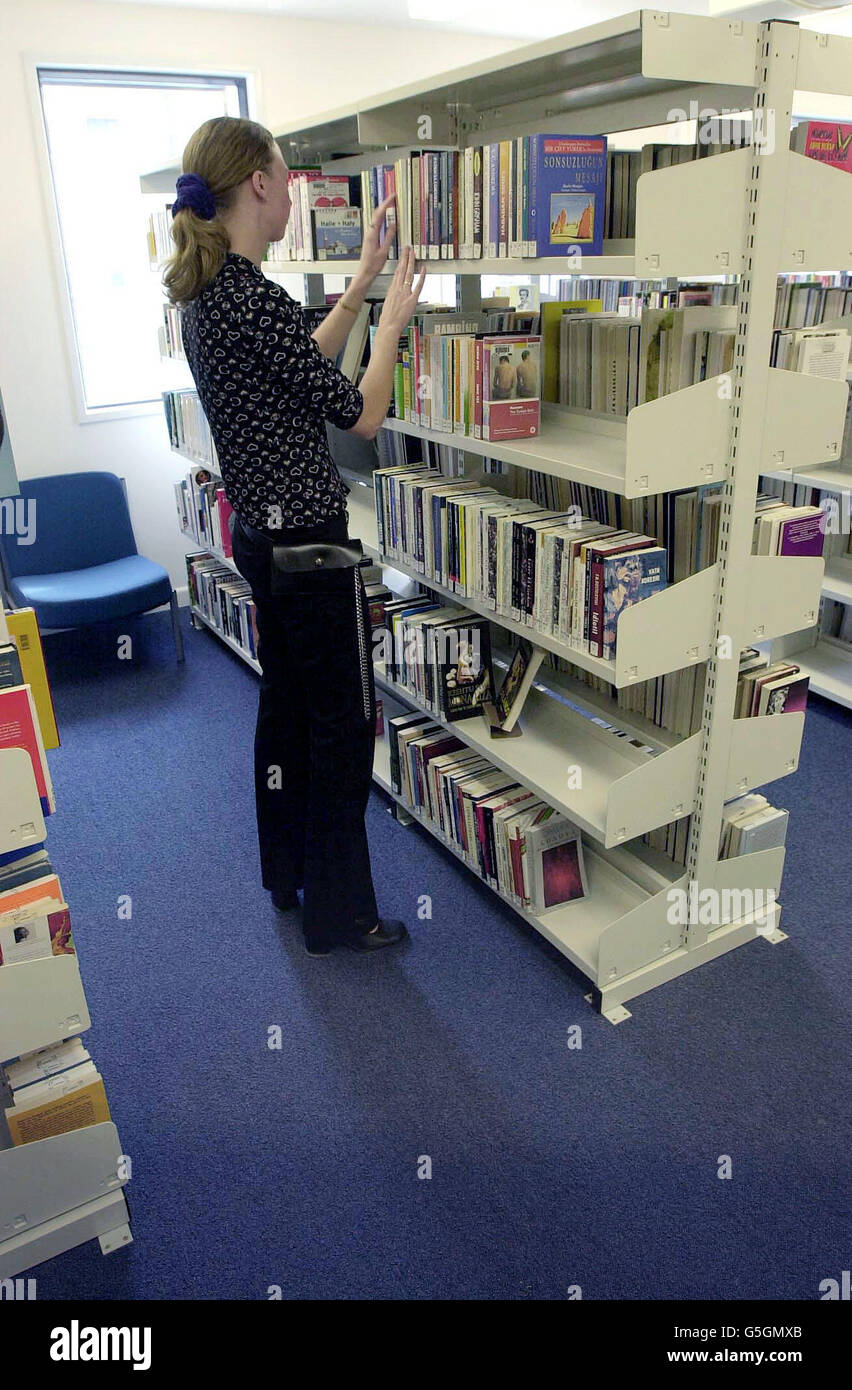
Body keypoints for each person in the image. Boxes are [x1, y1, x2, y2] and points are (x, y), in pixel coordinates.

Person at [164, 116, 426, 957]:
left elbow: (298, 372)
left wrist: (361, 281)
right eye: (288, 175)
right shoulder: (250, 295)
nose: (296, 191)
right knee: (344, 726)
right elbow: (360, 412)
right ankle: (341, 915)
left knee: (284, 712)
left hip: (261, 543)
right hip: (313, 552)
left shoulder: (216, 296)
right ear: (262, 186)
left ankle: (288, 875)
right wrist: (389, 329)